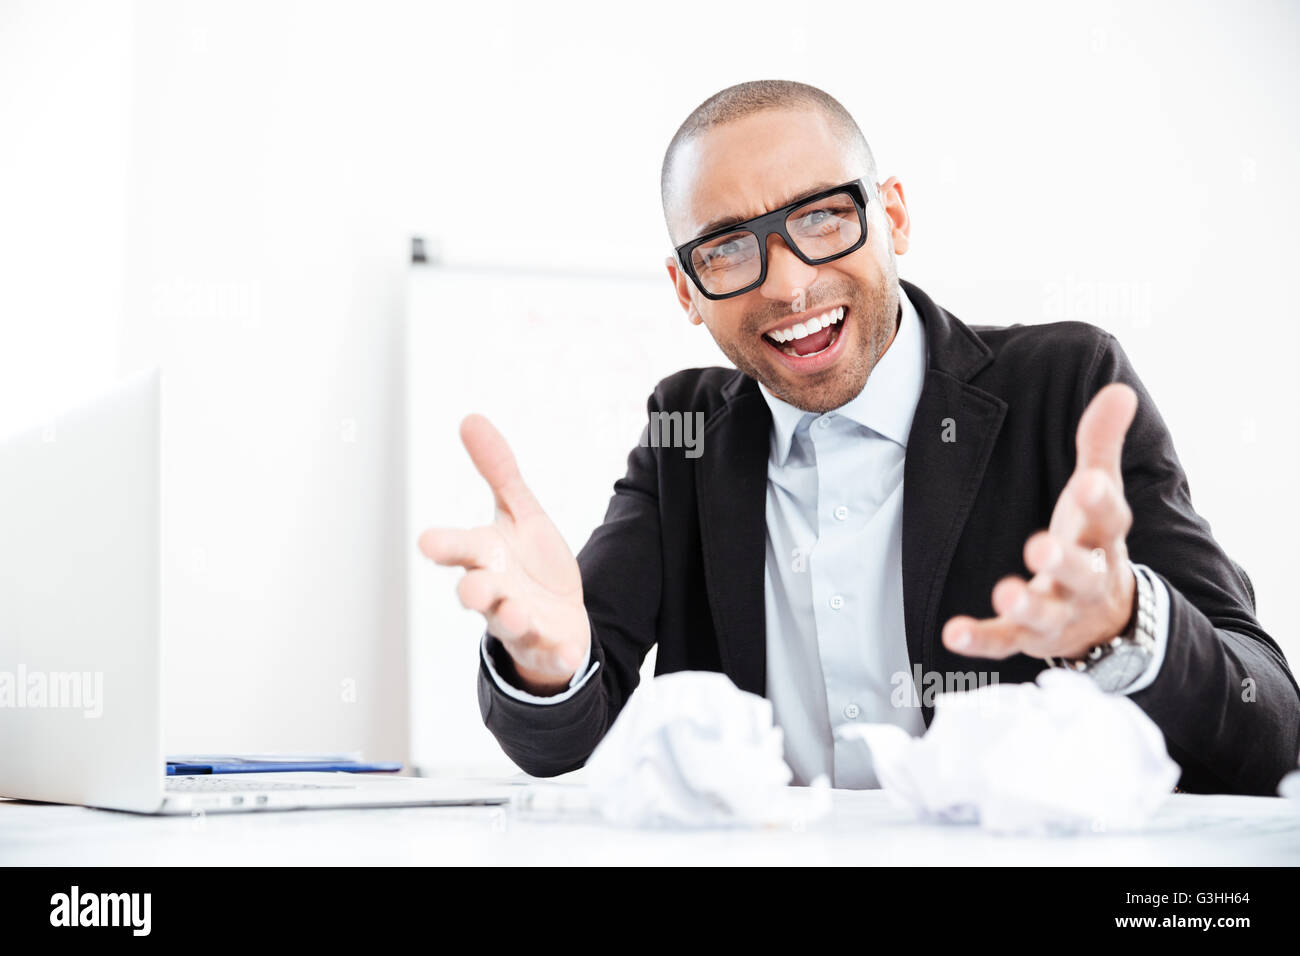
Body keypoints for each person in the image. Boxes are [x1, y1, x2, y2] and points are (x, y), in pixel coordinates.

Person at [420, 79, 1298, 795]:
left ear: (894, 218)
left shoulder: (1065, 386)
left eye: (823, 217)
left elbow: (1273, 730)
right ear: (686, 290)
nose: (791, 284)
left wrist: (1128, 625)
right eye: (727, 249)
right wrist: (551, 667)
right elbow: (559, 737)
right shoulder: (685, 433)